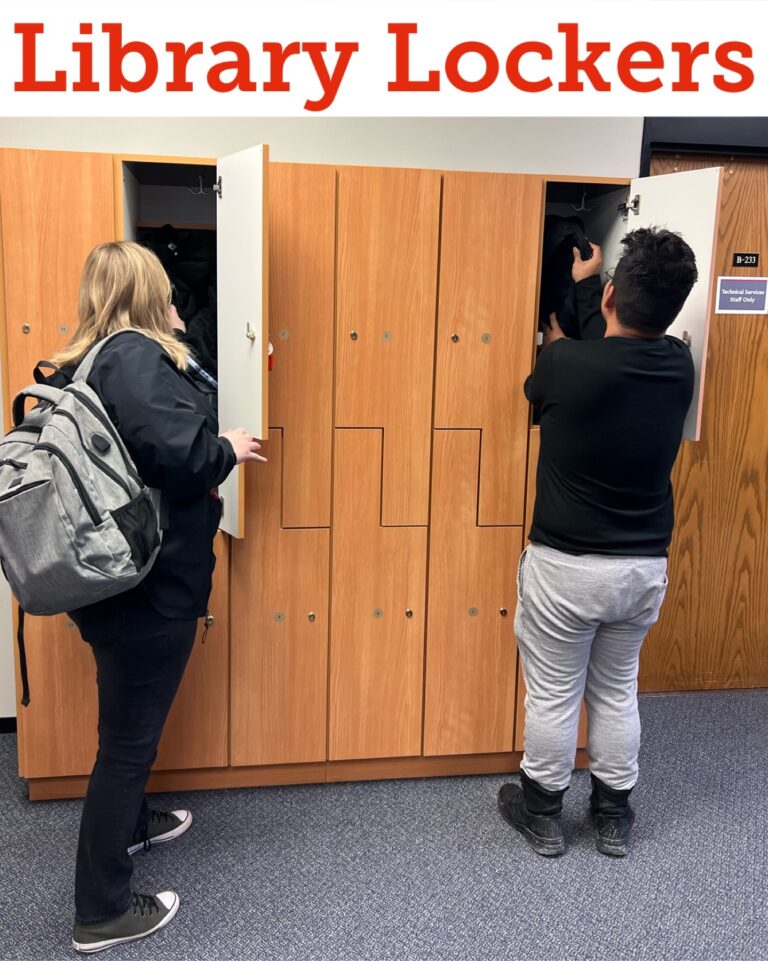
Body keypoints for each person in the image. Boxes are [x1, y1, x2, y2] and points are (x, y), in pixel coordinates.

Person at [45, 241, 266, 953]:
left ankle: (134, 825)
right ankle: (101, 910)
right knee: (127, 746)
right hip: (146, 590)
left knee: (125, 728)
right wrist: (228, 446)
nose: (175, 301)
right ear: (147, 294)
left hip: (113, 585)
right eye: (166, 291)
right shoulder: (135, 357)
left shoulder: (88, 361)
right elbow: (183, 455)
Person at [498, 227, 698, 858]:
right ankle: (613, 815)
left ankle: (542, 813)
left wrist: (580, 302)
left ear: (612, 295)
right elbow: (614, 352)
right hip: (641, 570)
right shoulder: (679, 366)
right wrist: (593, 294)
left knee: (554, 693)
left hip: (567, 568)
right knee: (616, 689)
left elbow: (552, 382)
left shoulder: (563, 364)